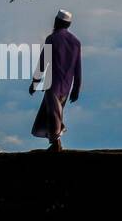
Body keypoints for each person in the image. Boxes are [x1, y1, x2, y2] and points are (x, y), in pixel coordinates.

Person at [29, 10, 82, 151]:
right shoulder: (76, 42)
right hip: (66, 86)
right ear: (69, 24)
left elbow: (43, 62)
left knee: (53, 114)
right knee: (54, 113)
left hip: (53, 84)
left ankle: (56, 145)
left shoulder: (52, 39)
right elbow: (78, 67)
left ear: (56, 22)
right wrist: (76, 89)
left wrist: (35, 83)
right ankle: (55, 143)